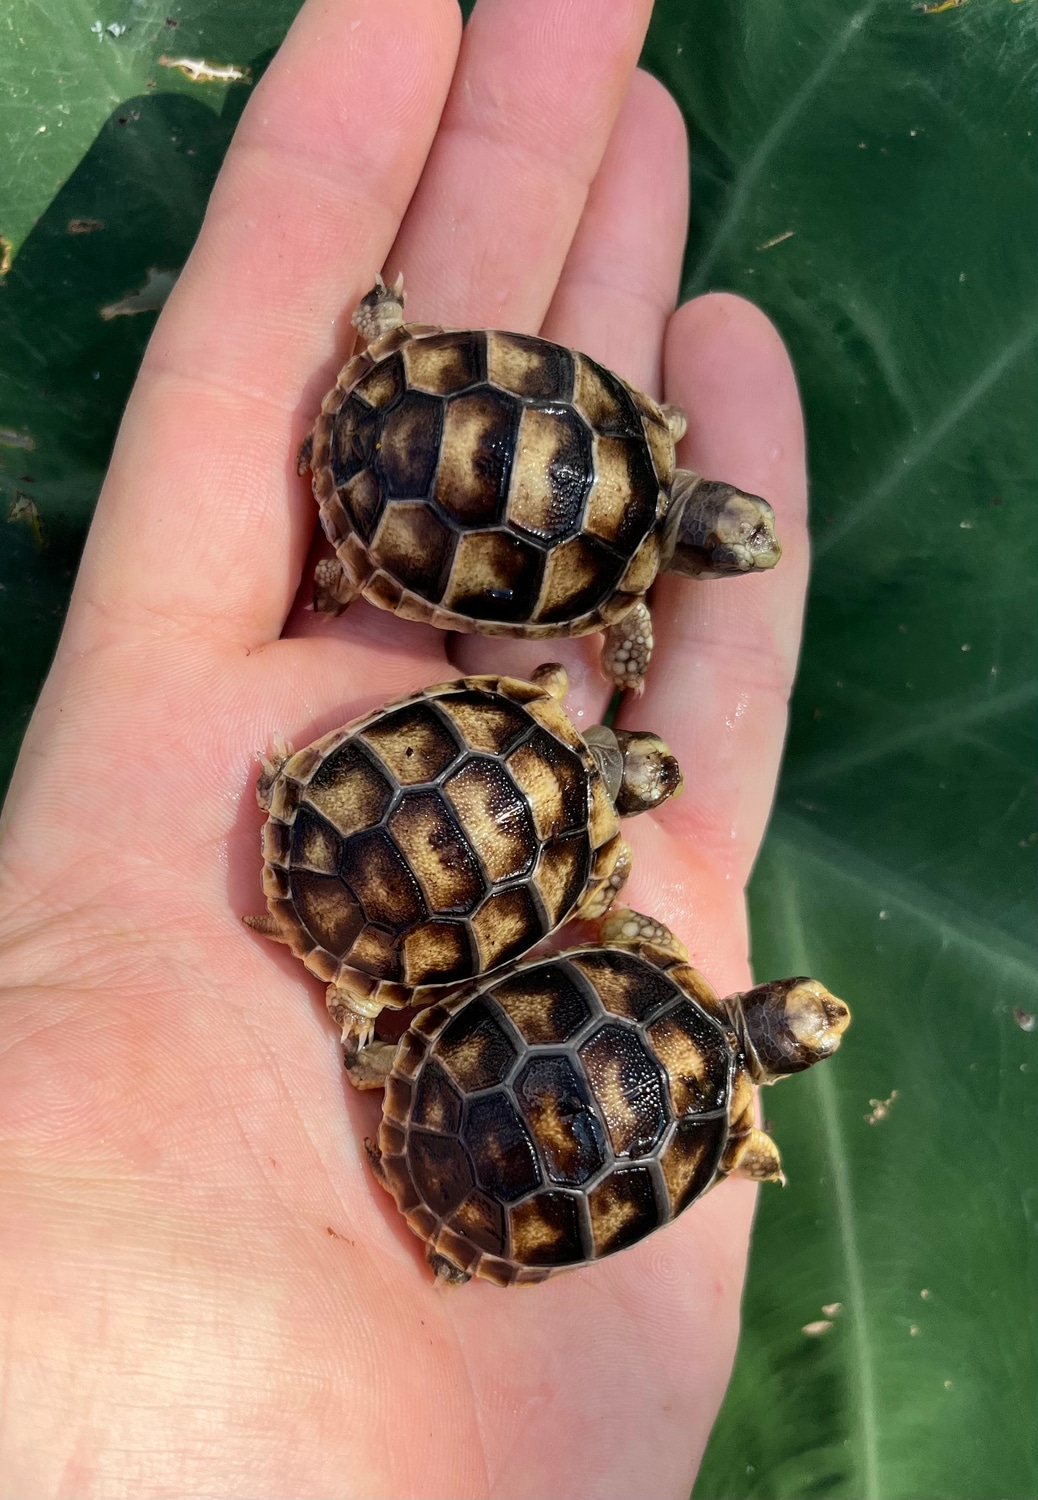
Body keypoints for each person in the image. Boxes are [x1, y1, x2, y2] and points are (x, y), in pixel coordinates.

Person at [0, 0, 809, 1492]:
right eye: (736, 538)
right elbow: (549, 936)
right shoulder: (606, 867)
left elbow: (556, 939)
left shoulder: (607, 888)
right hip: (438, 928)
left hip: (438, 844)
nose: (741, 543)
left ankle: (381, 420)